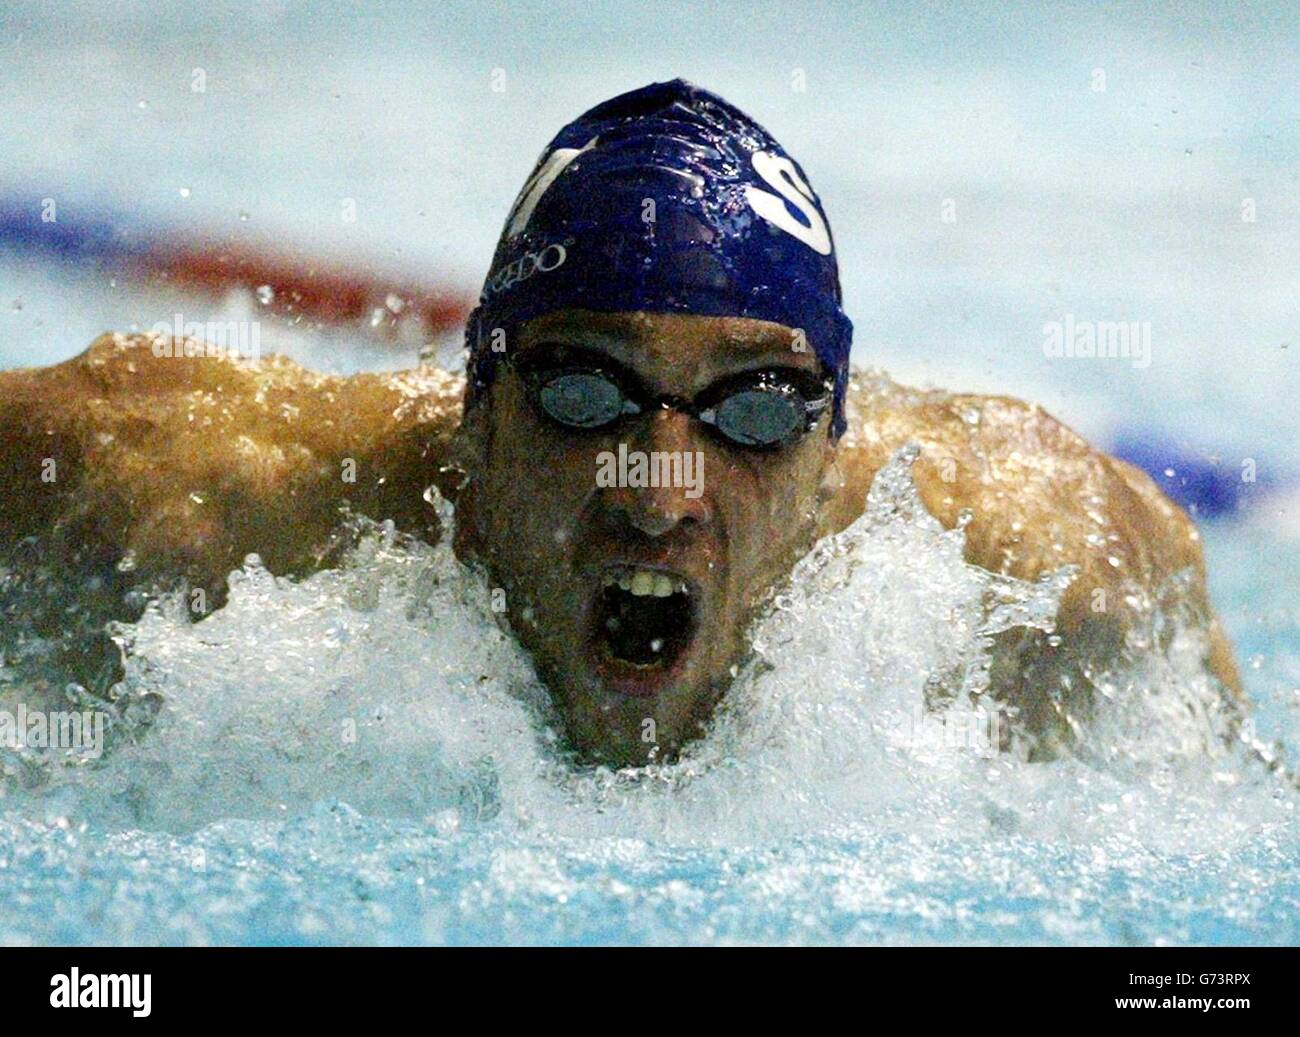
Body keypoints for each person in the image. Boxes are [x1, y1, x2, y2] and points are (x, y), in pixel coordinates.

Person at [0, 80, 1240, 766]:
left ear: (832, 449)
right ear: (474, 411)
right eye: (584, 392)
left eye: (755, 408)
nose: (658, 487)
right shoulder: (204, 492)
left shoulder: (1046, 557)